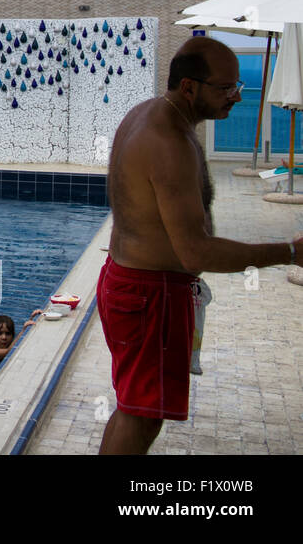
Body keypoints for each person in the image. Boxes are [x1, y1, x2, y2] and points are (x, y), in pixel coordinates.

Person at [97, 37, 302, 454]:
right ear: (189, 87)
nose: (237, 97)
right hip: (148, 295)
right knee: (140, 417)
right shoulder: (169, 143)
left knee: (137, 410)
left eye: (237, 87)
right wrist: (292, 252)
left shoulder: (148, 115)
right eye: (226, 88)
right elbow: (196, 253)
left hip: (136, 286)